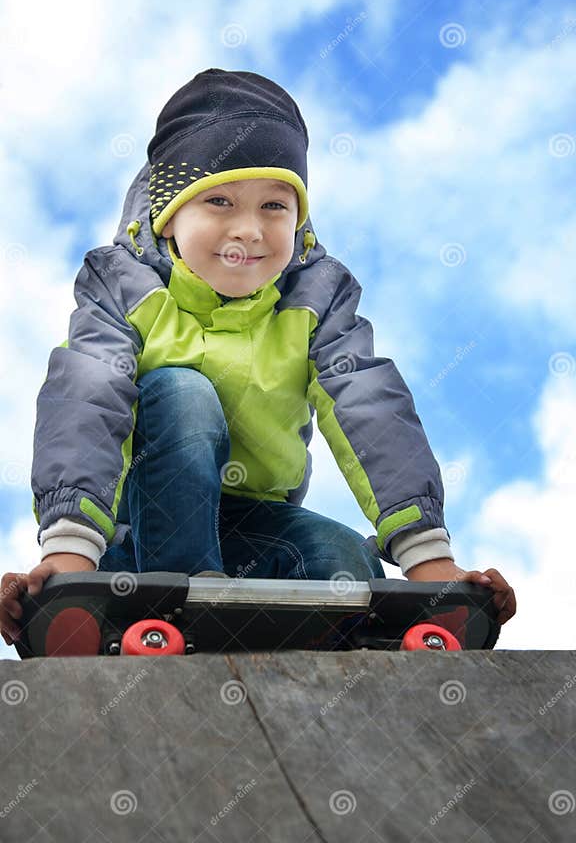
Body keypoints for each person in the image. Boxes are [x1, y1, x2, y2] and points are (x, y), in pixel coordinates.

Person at [0, 68, 516, 646]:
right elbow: (87, 397)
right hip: (134, 529)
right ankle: (168, 598)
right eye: (219, 200)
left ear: (298, 219)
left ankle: (351, 637)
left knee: (347, 561)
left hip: (251, 524)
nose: (249, 230)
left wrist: (431, 565)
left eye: (274, 205)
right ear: (169, 214)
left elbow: (369, 406)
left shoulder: (316, 297)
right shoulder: (122, 285)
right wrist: (69, 559)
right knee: (182, 393)